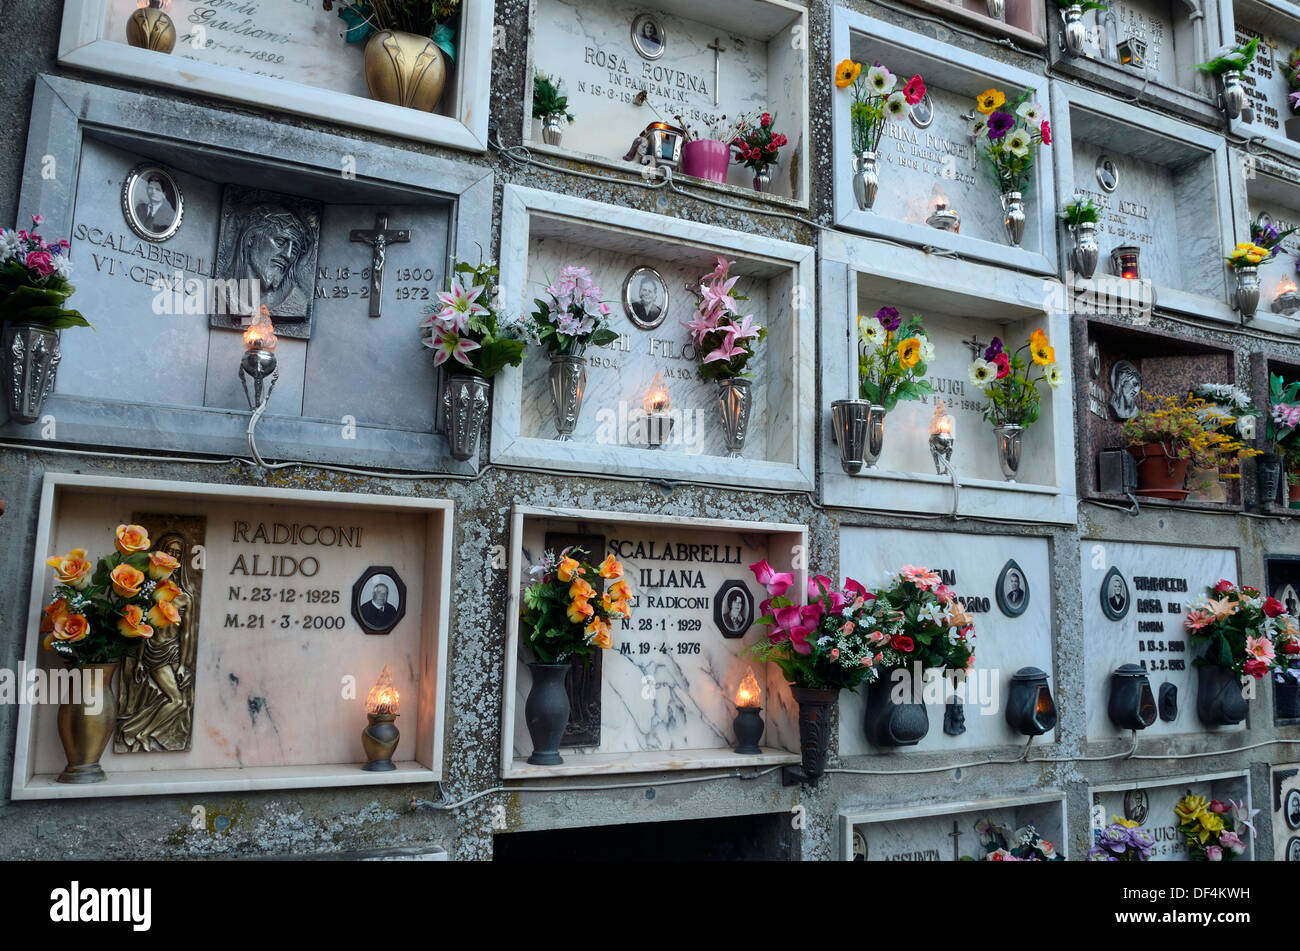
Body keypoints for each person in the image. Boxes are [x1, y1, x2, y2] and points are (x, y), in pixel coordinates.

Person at [223, 203, 313, 318]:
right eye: (280, 242)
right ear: (251, 238)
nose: (288, 255)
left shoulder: (297, 304)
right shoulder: (223, 290)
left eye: (294, 250)